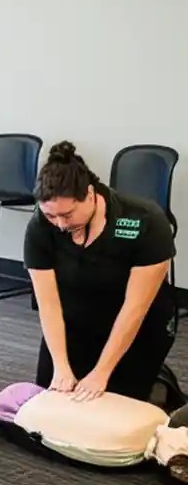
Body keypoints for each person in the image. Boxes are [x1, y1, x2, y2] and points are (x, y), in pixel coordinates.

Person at [24, 140, 177, 403]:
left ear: (91, 194)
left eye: (68, 214)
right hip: (77, 321)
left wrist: (101, 372)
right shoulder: (40, 225)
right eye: (51, 216)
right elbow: (48, 305)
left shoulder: (145, 220)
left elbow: (135, 308)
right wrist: (61, 366)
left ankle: (160, 382)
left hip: (139, 326)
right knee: (52, 403)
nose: (60, 225)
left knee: (113, 407)